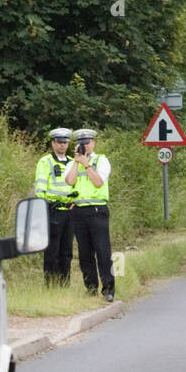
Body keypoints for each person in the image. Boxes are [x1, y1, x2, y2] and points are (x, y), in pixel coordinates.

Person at [64, 128, 115, 302]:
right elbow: (70, 181)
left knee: (102, 251)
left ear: (93, 143)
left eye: (87, 143)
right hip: (78, 211)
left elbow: (99, 182)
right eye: (81, 143)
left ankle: (108, 288)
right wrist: (78, 162)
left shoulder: (102, 160)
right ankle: (91, 288)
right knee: (85, 254)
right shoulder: (72, 163)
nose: (84, 146)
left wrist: (86, 164)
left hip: (97, 210)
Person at [32, 127, 76, 284]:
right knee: (52, 251)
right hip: (53, 210)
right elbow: (40, 187)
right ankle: (50, 285)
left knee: (67, 252)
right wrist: (44, 206)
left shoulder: (73, 163)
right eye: (59, 142)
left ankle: (64, 284)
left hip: (70, 211)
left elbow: (77, 186)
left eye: (65, 142)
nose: (62, 145)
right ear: (53, 143)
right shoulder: (45, 161)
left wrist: (75, 202)